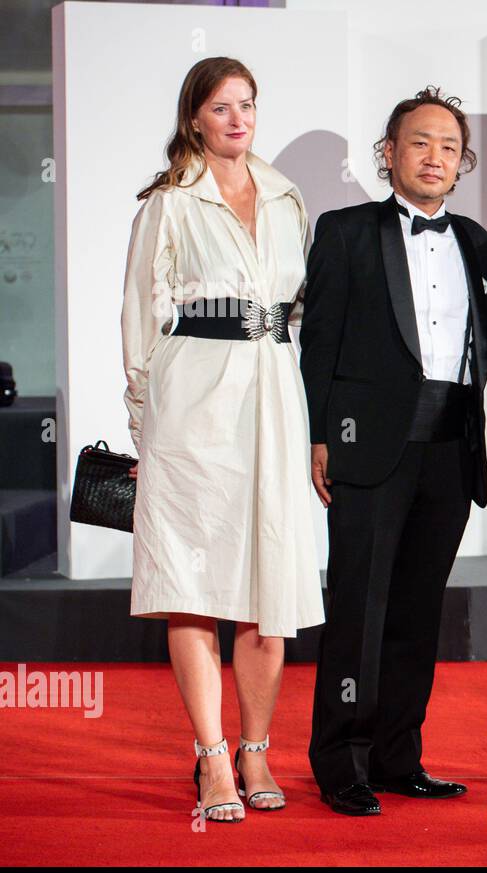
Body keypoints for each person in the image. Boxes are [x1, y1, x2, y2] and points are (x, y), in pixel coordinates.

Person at [121, 57, 324, 822]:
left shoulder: (286, 197)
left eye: (248, 105)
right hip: (191, 404)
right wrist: (147, 425)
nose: (238, 118)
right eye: (221, 107)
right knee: (194, 584)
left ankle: (257, 747)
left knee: (269, 586)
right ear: (194, 118)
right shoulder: (168, 204)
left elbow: (300, 306)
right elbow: (141, 319)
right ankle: (211, 758)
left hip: (271, 395)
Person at [299, 87, 487, 816]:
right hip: (369, 446)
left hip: (451, 448)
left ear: (462, 161)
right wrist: (319, 434)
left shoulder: (479, 243)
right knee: (359, 607)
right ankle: (340, 760)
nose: (436, 157)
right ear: (388, 155)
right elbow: (317, 341)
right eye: (420, 142)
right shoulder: (346, 231)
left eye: (449, 146)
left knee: (419, 610)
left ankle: (397, 755)